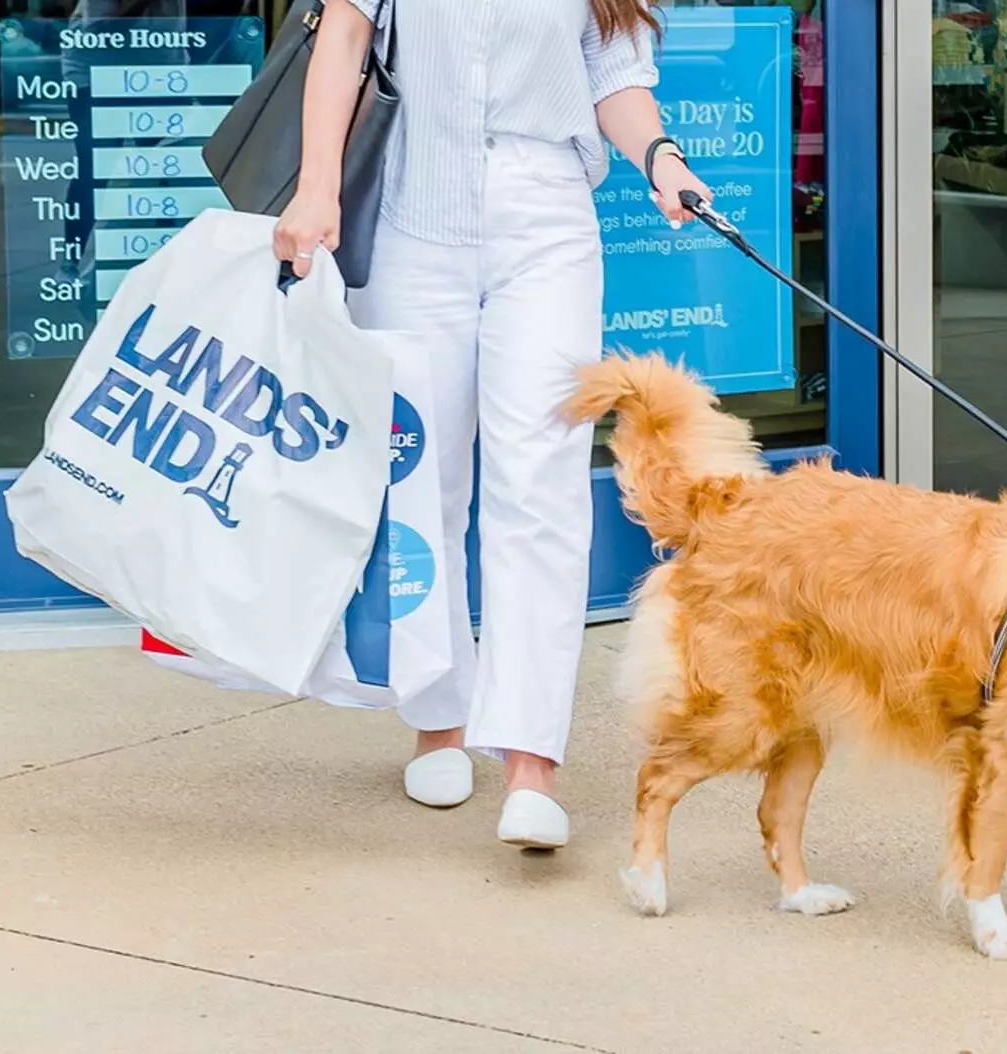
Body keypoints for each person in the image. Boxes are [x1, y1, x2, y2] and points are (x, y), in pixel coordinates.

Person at [273, 0, 712, 851]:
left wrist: (661, 159)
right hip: (408, 220)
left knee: (540, 485)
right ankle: (437, 719)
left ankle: (530, 760)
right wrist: (317, 185)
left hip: (546, 225)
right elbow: (345, 35)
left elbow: (615, 77)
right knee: (421, 482)